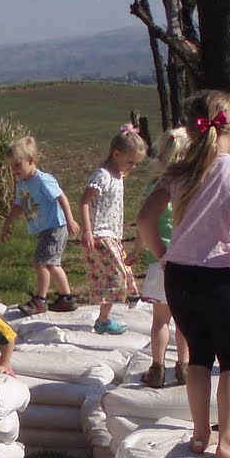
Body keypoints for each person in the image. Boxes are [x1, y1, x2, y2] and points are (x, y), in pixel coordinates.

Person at [136, 90, 230, 458]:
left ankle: (198, 433)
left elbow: (145, 218)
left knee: (198, 357)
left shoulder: (178, 172)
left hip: (179, 277)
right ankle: (227, 440)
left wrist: (163, 256)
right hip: (217, 276)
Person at [0, 136, 81, 315]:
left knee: (41, 262)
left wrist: (70, 219)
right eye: (11, 166)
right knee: (52, 264)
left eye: (17, 165)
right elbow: (18, 205)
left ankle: (40, 300)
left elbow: (61, 197)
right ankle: (66, 298)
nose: (14, 170)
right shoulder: (22, 183)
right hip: (45, 228)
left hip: (55, 226)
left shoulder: (43, 180)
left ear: (31, 161)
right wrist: (7, 223)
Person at [81, 125, 148, 333]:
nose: (132, 167)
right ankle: (106, 317)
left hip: (112, 234)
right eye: (130, 162)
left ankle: (105, 317)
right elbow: (84, 201)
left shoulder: (118, 175)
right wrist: (87, 230)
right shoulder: (102, 176)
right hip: (101, 233)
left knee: (116, 274)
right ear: (116, 153)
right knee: (116, 274)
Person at [139, 129, 189, 388]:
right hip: (187, 261)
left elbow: (144, 221)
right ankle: (184, 367)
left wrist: (139, 249)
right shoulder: (192, 188)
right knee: (184, 320)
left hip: (160, 261)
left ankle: (157, 368)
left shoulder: (155, 187)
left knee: (160, 320)